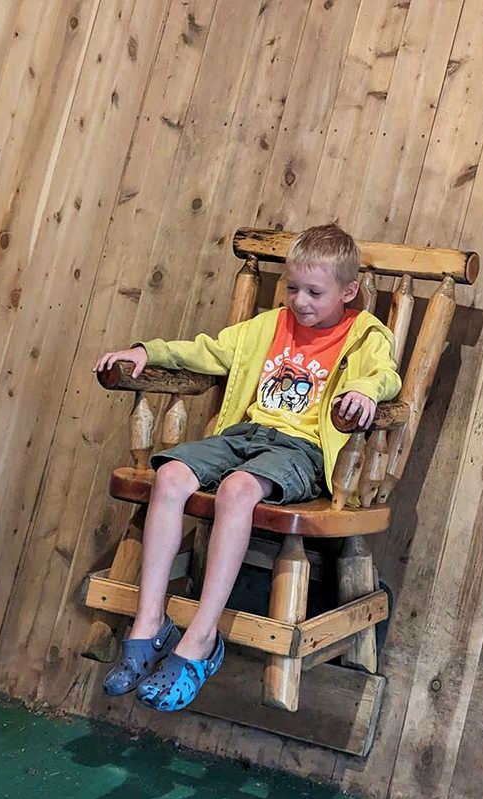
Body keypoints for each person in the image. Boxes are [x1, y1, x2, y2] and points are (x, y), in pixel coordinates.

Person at [92, 224, 401, 713]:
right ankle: (148, 626)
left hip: (301, 451)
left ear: (349, 291)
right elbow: (207, 351)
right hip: (244, 436)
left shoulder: (364, 335)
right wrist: (147, 351)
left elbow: (384, 374)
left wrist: (365, 392)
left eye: (315, 292)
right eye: (292, 288)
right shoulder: (269, 326)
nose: (300, 301)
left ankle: (200, 638)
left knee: (237, 490)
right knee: (170, 475)